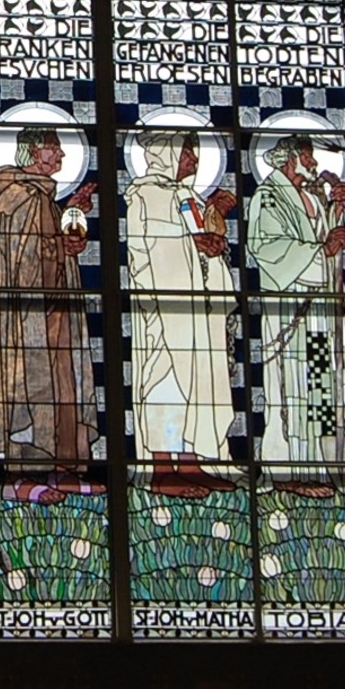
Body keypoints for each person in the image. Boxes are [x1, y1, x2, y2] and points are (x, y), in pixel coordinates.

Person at [0, 125, 99, 504]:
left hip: (56, 311)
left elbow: (49, 253)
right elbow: (24, 262)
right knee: (28, 391)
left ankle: (64, 468)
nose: (62, 157)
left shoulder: (45, 200)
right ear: (34, 153)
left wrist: (70, 235)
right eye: (55, 150)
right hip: (30, 315)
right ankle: (24, 478)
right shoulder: (19, 197)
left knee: (65, 388)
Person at [124, 127, 240, 498]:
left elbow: (202, 245)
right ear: (168, 155)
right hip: (164, 312)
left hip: (198, 312)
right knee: (166, 385)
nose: (194, 160)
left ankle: (191, 463)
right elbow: (144, 252)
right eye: (188, 153)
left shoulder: (188, 196)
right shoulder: (143, 196)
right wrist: (192, 246)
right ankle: (161, 468)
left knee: (197, 384)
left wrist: (212, 244)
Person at [244, 135, 345, 496]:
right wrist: (320, 250)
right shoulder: (269, 196)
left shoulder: (314, 196)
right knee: (291, 388)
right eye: (307, 155)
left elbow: (328, 247)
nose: (313, 162)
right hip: (290, 306)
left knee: (321, 386)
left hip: (321, 312)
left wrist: (339, 209)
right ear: (289, 160)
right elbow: (264, 246)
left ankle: (323, 465)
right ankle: (289, 468)